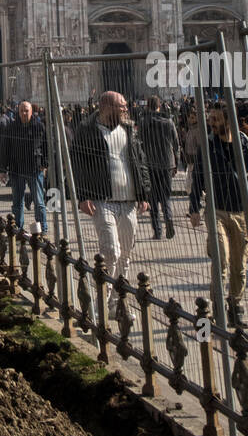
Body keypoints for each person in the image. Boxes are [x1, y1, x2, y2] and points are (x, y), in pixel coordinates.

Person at [71, 91, 151, 309]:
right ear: (106, 107)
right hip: (102, 199)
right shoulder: (87, 130)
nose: (126, 109)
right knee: (110, 251)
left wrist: (144, 194)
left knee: (125, 253)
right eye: (122, 106)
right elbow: (76, 165)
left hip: (129, 201)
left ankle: (117, 303)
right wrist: (81, 196)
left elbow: (139, 161)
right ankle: (101, 301)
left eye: (125, 106)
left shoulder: (129, 130)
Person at [189, 104, 248, 328]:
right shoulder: (208, 146)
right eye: (210, 119)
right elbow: (198, 176)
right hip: (215, 208)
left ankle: (235, 306)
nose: (211, 123)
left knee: (239, 264)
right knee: (222, 258)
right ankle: (217, 308)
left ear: (228, 120)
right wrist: (193, 207)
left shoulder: (246, 144)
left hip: (239, 210)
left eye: (216, 119)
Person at [0, 101, 48, 232]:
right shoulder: (11, 127)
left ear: (31, 112)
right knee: (17, 203)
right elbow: (5, 149)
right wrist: (2, 170)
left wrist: (45, 164)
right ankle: (18, 229)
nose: (24, 113)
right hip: (16, 169)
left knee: (39, 202)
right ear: (18, 112)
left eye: (26, 111)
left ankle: (42, 230)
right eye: (21, 111)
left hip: (34, 169)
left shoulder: (39, 127)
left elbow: (47, 146)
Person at [139, 96, 179, 239]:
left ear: (147, 106)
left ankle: (158, 231)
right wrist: (176, 163)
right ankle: (168, 218)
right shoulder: (169, 122)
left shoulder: (144, 123)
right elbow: (176, 144)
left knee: (153, 199)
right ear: (159, 106)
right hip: (167, 164)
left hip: (150, 164)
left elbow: (139, 144)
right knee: (166, 196)